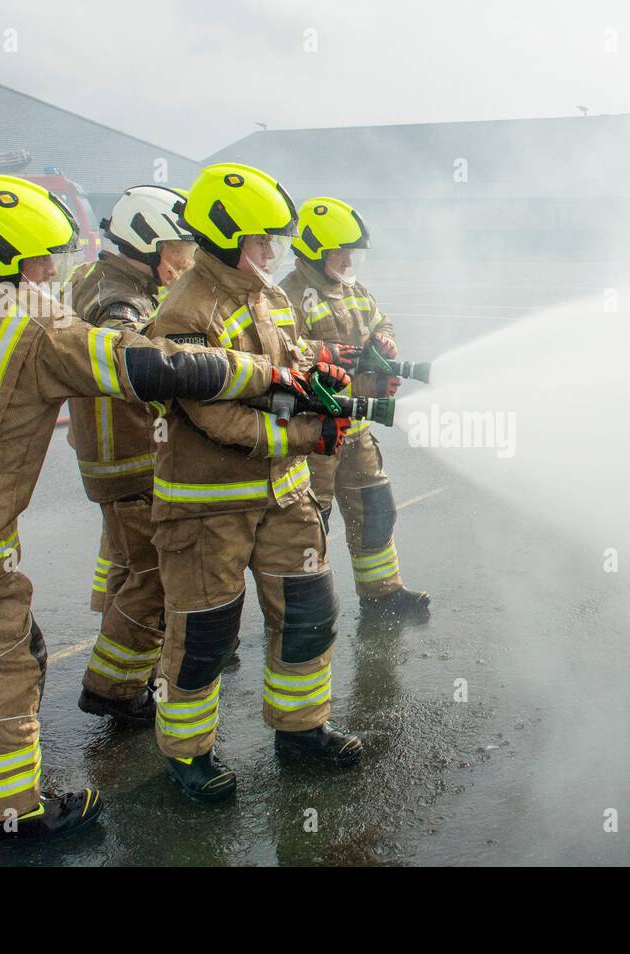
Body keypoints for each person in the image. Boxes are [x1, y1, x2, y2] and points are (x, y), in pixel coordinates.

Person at [0, 174, 295, 864]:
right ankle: (8, 825)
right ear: (7, 257)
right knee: (4, 673)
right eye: (43, 260)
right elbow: (149, 366)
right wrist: (263, 375)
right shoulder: (30, 326)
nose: (51, 274)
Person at [145, 163, 363, 802]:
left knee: (308, 614)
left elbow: (285, 366)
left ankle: (301, 731)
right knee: (204, 635)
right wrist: (308, 436)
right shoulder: (185, 310)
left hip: (284, 495)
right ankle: (188, 756)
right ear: (224, 235)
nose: (273, 250)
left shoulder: (267, 293)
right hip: (208, 506)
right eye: (262, 238)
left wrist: (320, 377)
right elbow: (214, 415)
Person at [66, 185, 197, 724]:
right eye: (175, 250)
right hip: (131, 457)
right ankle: (113, 688)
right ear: (144, 241)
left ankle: (128, 670)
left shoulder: (103, 277)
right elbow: (135, 360)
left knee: (130, 568)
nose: (182, 262)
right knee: (154, 576)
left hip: (115, 455)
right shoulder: (117, 299)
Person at [280, 198, 429, 620]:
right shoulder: (288, 296)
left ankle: (382, 594)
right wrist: (324, 352)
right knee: (312, 525)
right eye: (340, 253)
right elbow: (282, 352)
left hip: (357, 427)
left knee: (376, 508)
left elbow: (381, 321)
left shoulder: (355, 291)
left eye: (353, 253)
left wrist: (384, 339)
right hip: (315, 436)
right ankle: (308, 610)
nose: (348, 261)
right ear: (313, 249)